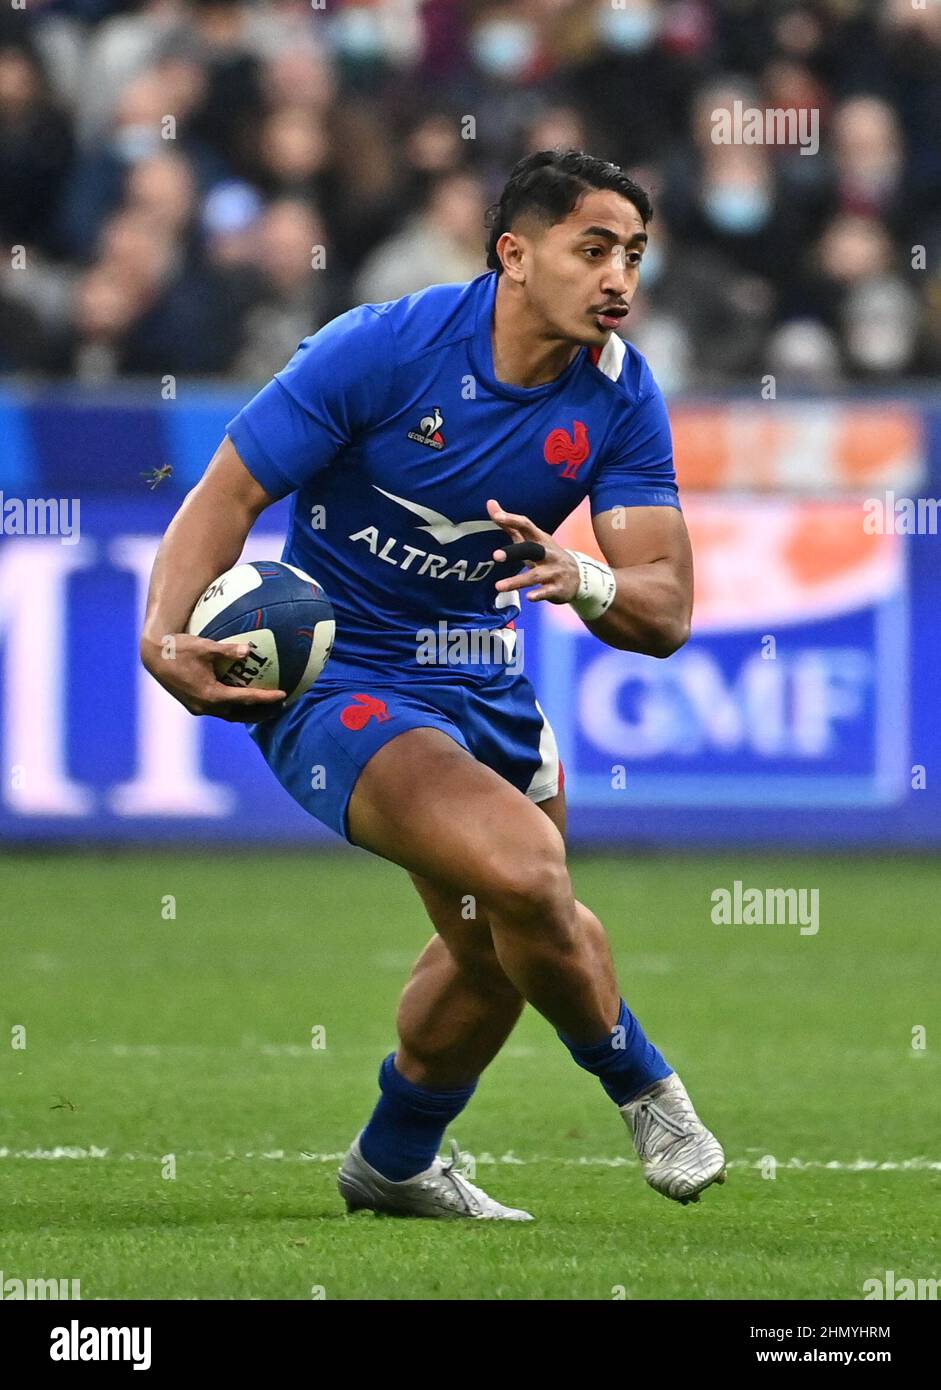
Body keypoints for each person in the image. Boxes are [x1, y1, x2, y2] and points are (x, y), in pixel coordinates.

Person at [140, 149, 726, 1220]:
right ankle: (645, 1089)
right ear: (514, 253)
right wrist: (160, 636)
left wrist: (582, 575)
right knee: (526, 874)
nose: (619, 279)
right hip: (342, 677)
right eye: (591, 248)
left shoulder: (619, 394)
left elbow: (665, 608)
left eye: (633, 254)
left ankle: (394, 1160)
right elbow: (225, 494)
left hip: (485, 680)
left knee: (495, 945)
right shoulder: (383, 347)